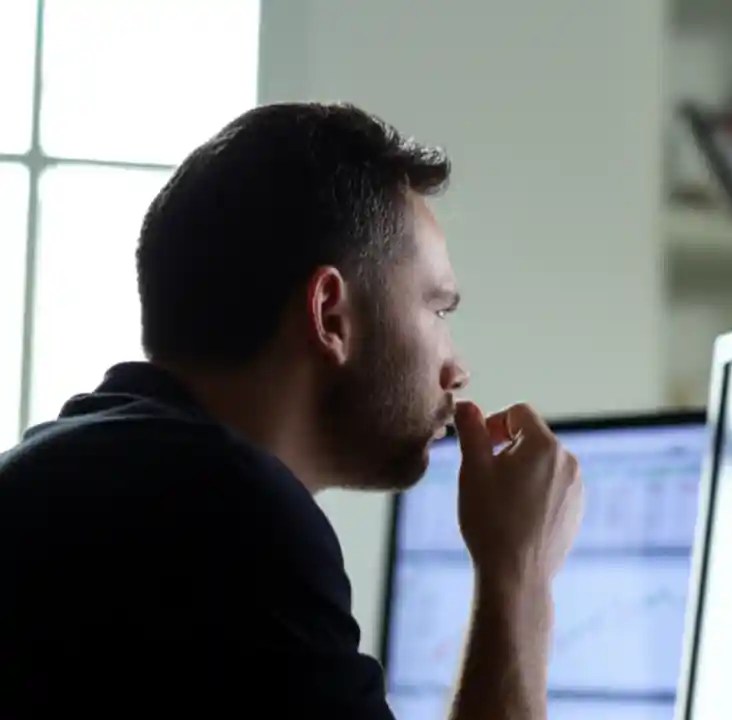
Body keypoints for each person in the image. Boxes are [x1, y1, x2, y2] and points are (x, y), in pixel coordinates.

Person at [0, 102, 583, 719]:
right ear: (330, 315)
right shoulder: (234, 516)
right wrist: (518, 572)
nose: (458, 370)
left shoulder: (76, 468)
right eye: (437, 309)